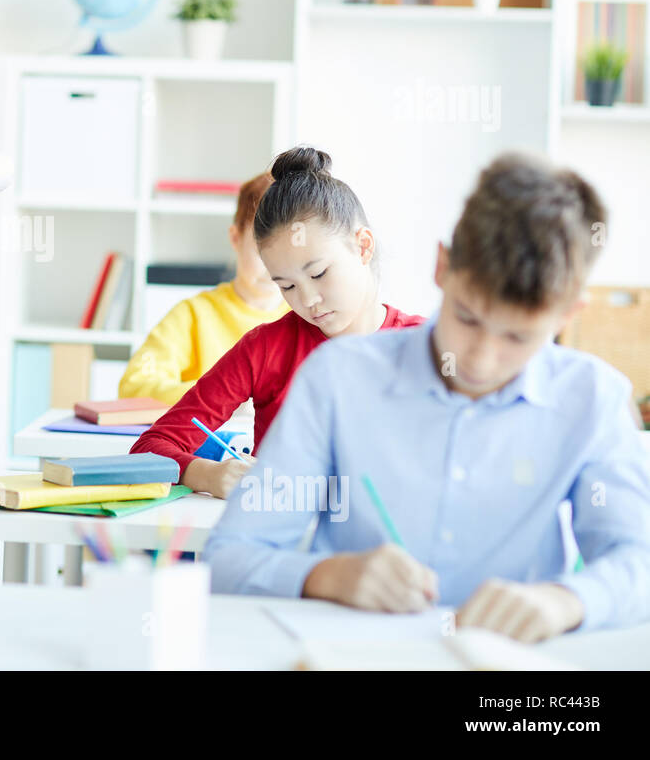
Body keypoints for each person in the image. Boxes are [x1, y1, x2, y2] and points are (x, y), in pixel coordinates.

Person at [205, 152, 650, 641]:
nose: (481, 359)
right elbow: (229, 556)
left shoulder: (593, 399)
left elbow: (638, 564)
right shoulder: (337, 380)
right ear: (442, 266)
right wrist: (327, 576)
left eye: (518, 338)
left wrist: (568, 601)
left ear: (569, 313)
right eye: (468, 317)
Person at [130, 147, 423, 498]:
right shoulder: (265, 349)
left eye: (318, 273)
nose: (308, 300)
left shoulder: (423, 346)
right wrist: (209, 475)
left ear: (362, 246)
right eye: (286, 285)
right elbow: (150, 447)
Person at [118, 172, 287, 407]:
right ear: (235, 238)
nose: (274, 266)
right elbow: (133, 387)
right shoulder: (194, 314)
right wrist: (221, 394)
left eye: (287, 251)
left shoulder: (310, 318)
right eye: (263, 249)